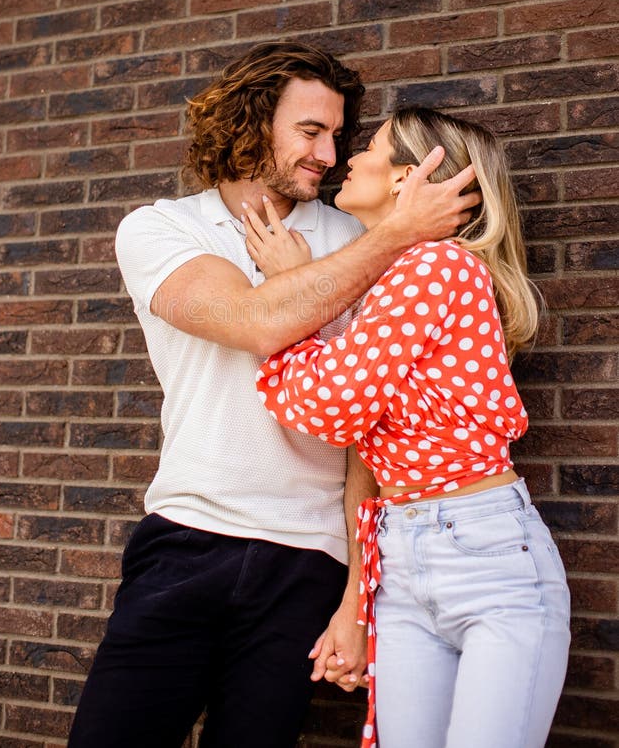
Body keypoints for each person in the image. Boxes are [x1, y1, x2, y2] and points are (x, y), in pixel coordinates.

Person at [67, 45, 480, 748]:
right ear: (251, 122)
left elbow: (371, 439)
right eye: (310, 131)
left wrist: (357, 592)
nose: (329, 153)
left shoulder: (356, 233)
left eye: (340, 135)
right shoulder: (163, 228)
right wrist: (400, 234)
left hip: (310, 558)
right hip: (188, 539)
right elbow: (255, 322)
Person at [251, 107, 571, 748]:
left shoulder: (436, 270)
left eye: (368, 146)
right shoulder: (393, 280)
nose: (349, 157)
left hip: (484, 558)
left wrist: (290, 286)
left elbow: (328, 408)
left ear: (406, 178)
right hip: (406, 552)